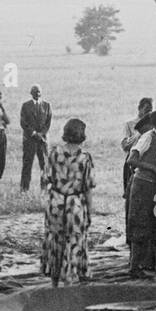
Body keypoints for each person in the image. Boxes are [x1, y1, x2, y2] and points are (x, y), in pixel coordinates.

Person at [40, 117, 96, 286]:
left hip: (55, 202)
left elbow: (45, 179)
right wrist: (90, 211)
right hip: (75, 204)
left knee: (55, 240)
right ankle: (70, 278)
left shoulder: (54, 153)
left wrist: (46, 200)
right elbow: (88, 187)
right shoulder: (85, 158)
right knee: (74, 240)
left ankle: (54, 280)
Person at [126, 108, 156, 277]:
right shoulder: (147, 137)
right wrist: (154, 168)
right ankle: (134, 267)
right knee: (140, 224)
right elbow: (132, 159)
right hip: (143, 187)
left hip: (154, 187)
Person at [122, 98, 153, 237]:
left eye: (150, 109)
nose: (148, 112)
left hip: (143, 163)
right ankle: (131, 232)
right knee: (130, 197)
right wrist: (139, 134)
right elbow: (125, 146)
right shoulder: (129, 124)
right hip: (133, 163)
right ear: (139, 108)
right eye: (146, 109)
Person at [20, 84, 52, 192]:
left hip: (42, 141)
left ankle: (44, 189)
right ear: (31, 93)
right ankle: (24, 190)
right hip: (30, 140)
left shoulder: (47, 105)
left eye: (39, 92)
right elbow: (23, 123)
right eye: (35, 92)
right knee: (27, 165)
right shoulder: (25, 106)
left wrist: (42, 134)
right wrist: (34, 133)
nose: (37, 94)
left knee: (44, 165)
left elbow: (48, 123)